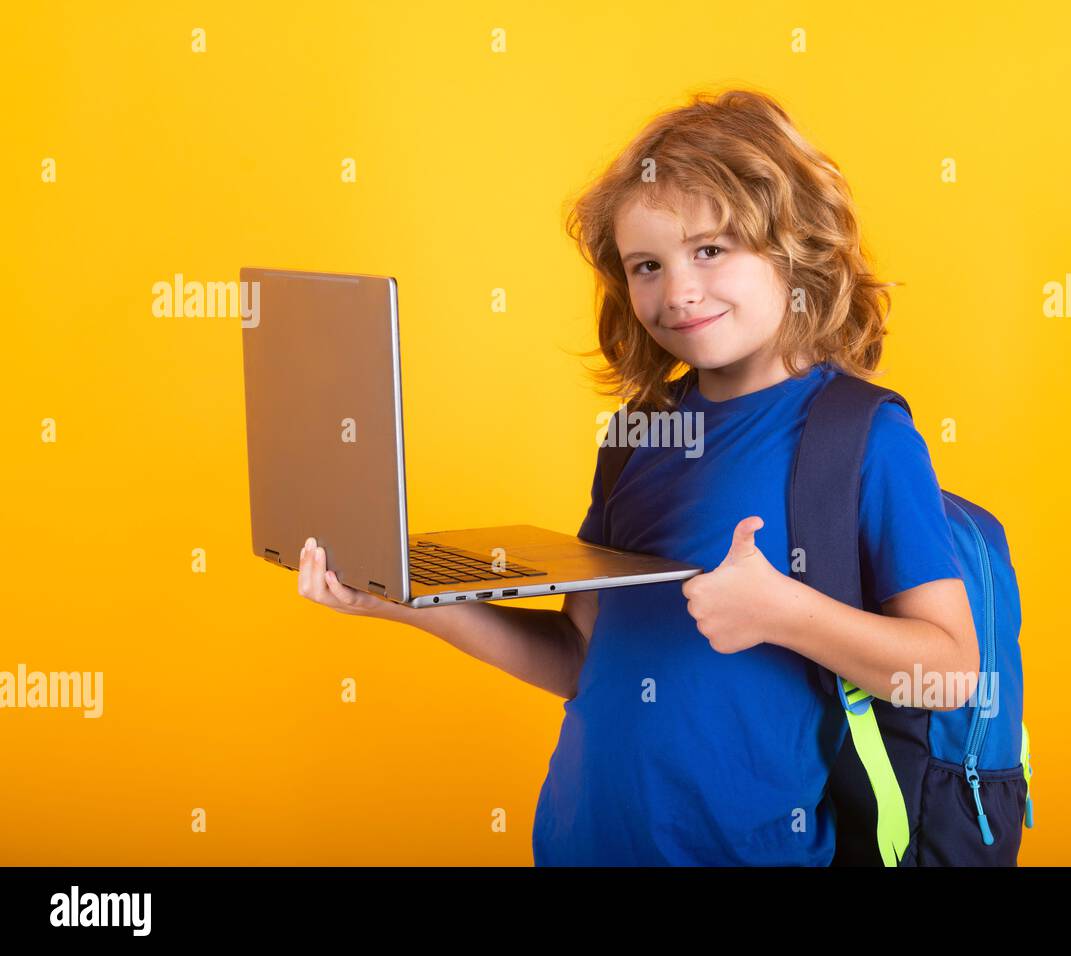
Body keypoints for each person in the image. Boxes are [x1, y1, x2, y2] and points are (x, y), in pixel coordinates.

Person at [296, 88, 979, 866]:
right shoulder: (640, 433)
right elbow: (578, 657)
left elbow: (950, 672)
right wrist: (401, 598)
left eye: (710, 250)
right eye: (647, 266)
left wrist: (781, 612)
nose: (677, 292)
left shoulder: (862, 439)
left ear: (794, 247)